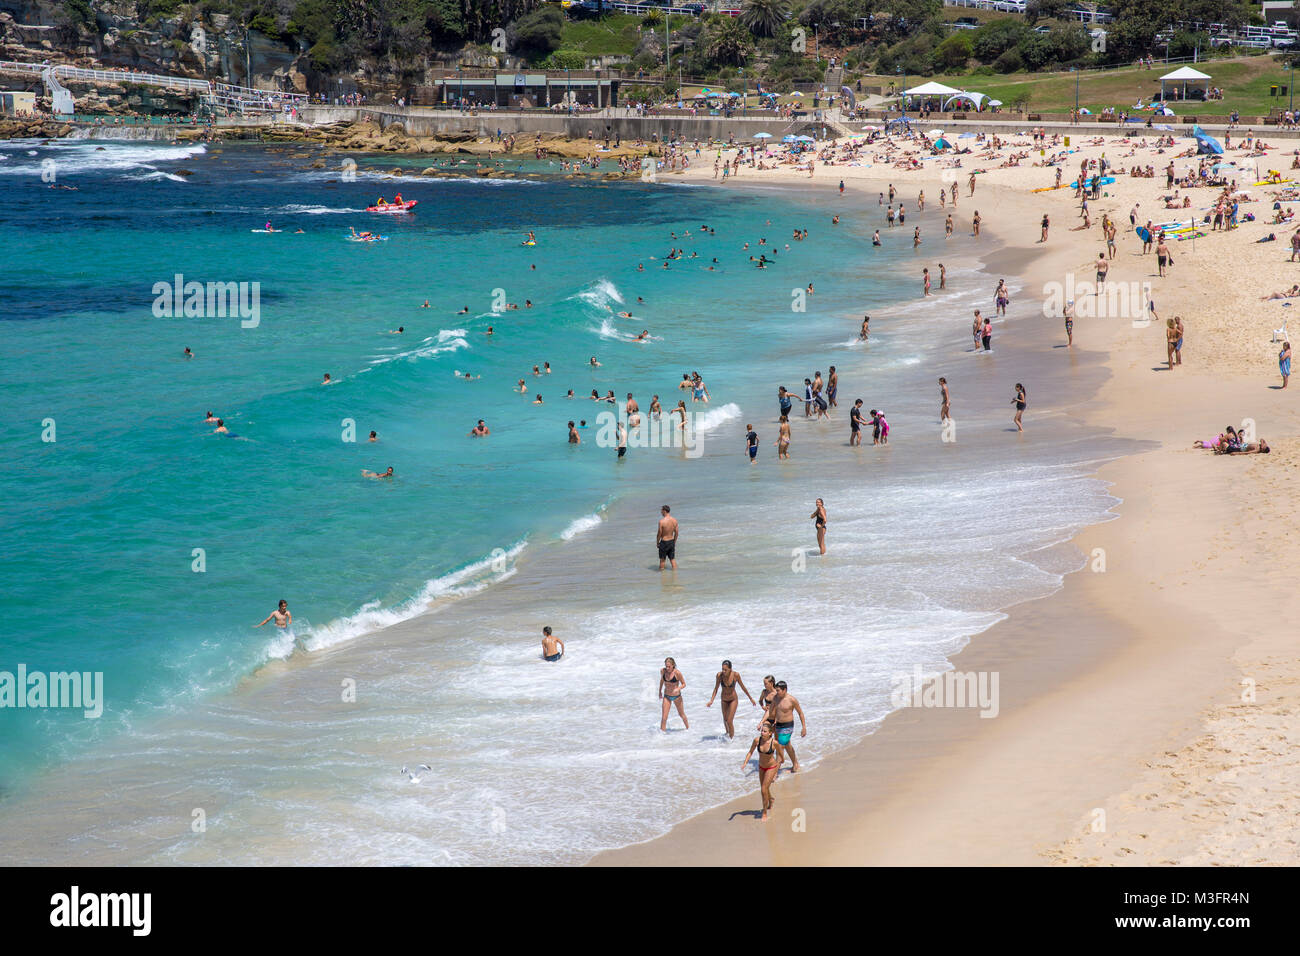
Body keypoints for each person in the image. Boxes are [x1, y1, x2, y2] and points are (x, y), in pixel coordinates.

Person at [741, 720, 782, 821]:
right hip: (761, 767)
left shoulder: (774, 743)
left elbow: (780, 754)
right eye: (762, 731)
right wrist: (745, 763)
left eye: (764, 731)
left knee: (763, 789)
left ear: (770, 733)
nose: (762, 733)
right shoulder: (756, 740)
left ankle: (764, 812)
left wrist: (779, 766)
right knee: (765, 788)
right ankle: (771, 799)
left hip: (771, 767)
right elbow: (750, 752)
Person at [764, 680, 807, 772]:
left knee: (780, 748)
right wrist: (764, 722)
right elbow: (770, 712)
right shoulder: (776, 698)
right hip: (778, 725)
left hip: (788, 726)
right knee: (787, 745)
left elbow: (800, 713)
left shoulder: (792, 700)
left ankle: (774, 773)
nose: (777, 692)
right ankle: (795, 764)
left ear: (785, 690)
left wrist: (804, 727)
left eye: (778, 690)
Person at [708, 660, 756, 739]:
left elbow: (743, 687)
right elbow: (716, 688)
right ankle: (727, 735)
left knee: (729, 720)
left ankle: (731, 740)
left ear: (730, 669)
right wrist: (711, 700)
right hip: (724, 699)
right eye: (722, 669)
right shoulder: (719, 675)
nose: (723, 671)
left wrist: (750, 698)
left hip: (733, 699)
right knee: (725, 719)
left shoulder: (736, 675)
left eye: (725, 670)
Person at [659, 657, 688, 731]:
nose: (667, 668)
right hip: (667, 696)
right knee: (664, 717)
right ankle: (662, 735)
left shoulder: (677, 673)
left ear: (673, 665)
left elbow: (684, 684)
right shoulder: (663, 671)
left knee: (681, 715)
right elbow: (662, 681)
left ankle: (688, 729)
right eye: (666, 666)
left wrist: (678, 688)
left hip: (677, 696)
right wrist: (660, 691)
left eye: (669, 666)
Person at [657, 505, 678, 571]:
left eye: (661, 510)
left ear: (664, 511)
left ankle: (662, 577)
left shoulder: (661, 521)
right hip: (671, 541)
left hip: (664, 542)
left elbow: (659, 534)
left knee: (662, 560)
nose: (661, 512)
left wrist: (657, 542)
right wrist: (674, 541)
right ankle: (675, 575)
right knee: (672, 559)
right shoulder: (674, 520)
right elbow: (677, 532)